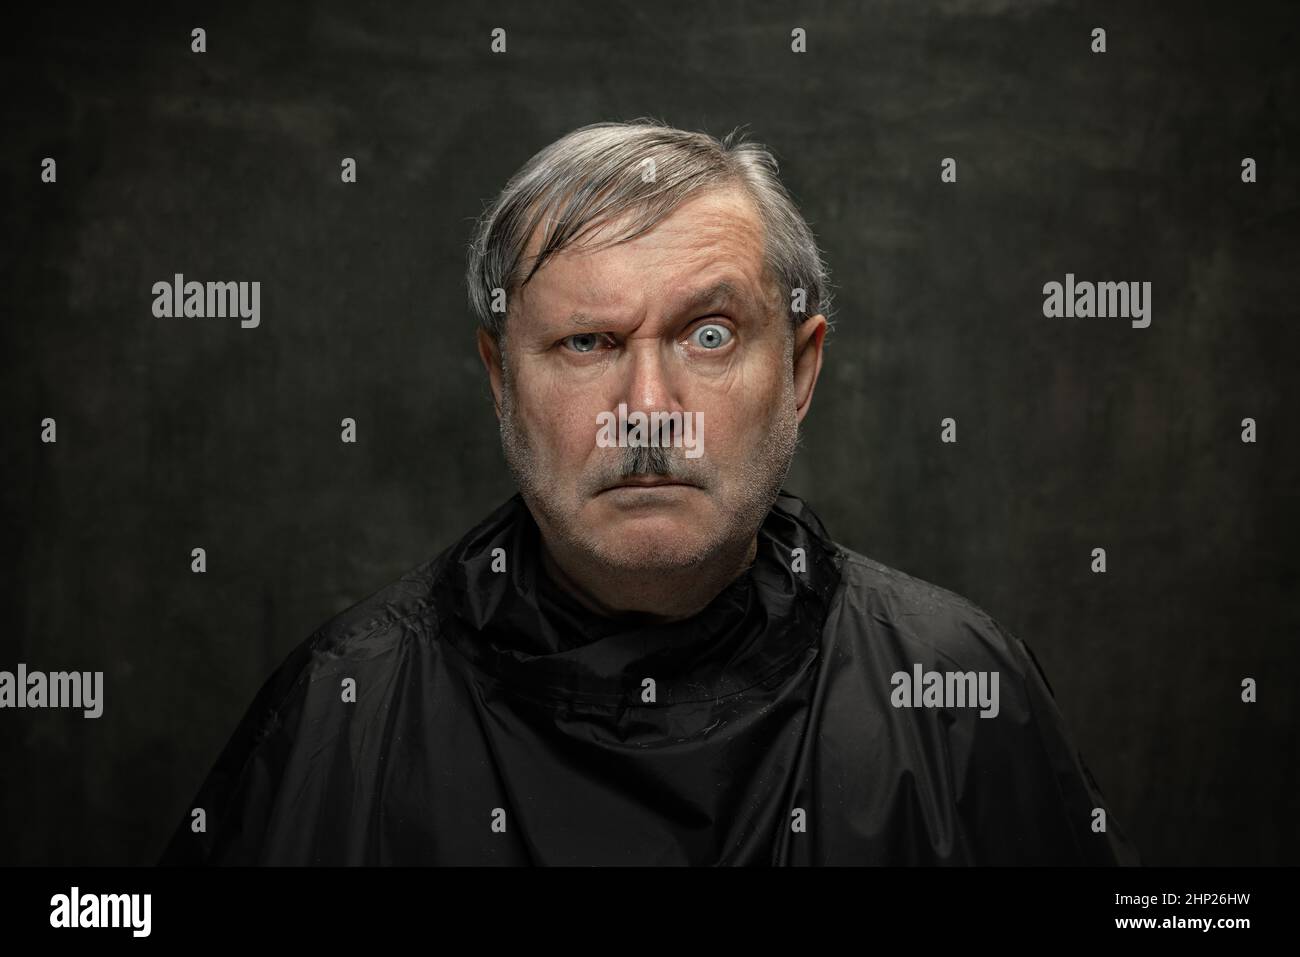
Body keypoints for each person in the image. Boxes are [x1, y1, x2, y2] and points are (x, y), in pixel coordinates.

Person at [159, 118, 1139, 866]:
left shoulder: (959, 698)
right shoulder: (345, 711)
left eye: (708, 335)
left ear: (799, 372)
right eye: (587, 343)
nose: (648, 411)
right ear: (502, 380)